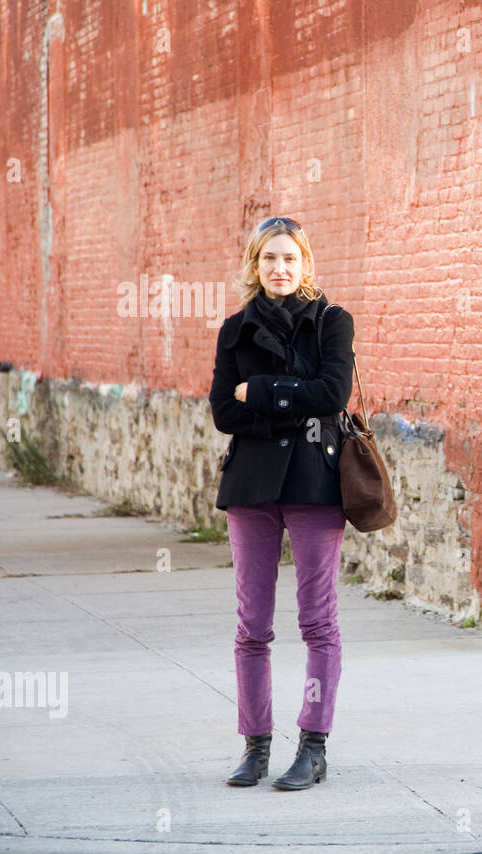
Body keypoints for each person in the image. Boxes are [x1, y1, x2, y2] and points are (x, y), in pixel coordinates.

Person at [208, 216, 355, 790]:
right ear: (254, 265)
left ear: (306, 264)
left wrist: (262, 392)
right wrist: (294, 398)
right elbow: (224, 410)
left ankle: (313, 746)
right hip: (250, 488)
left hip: (314, 483)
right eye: (269, 259)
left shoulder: (332, 323)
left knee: (318, 621)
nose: (280, 269)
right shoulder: (234, 330)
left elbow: (332, 393)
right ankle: (255, 745)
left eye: (290, 259)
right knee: (252, 626)